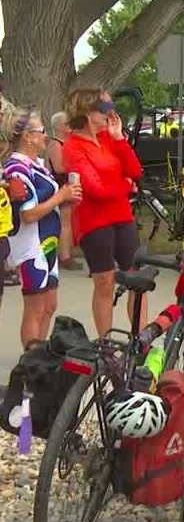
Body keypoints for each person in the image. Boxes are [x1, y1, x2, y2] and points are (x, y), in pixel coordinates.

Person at [63, 88, 145, 336]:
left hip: (122, 215)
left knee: (138, 280)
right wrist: (125, 186)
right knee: (104, 282)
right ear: (88, 112)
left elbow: (135, 171)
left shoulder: (109, 138)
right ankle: (106, 340)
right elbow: (95, 188)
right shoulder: (73, 147)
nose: (111, 113)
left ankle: (141, 337)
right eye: (105, 109)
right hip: (94, 220)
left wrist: (119, 139)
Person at [1, 108, 82, 347]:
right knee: (35, 307)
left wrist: (66, 197)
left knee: (49, 305)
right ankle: (30, 364)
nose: (45, 136)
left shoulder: (36, 164)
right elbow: (27, 214)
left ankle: (40, 354)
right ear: (27, 136)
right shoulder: (17, 168)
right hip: (30, 246)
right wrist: (60, 197)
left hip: (48, 243)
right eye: (41, 131)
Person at [45, 111, 81, 271]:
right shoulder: (55, 144)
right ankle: (65, 256)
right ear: (60, 127)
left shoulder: (68, 142)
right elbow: (59, 167)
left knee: (70, 222)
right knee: (65, 223)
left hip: (69, 184)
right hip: (60, 186)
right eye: (67, 123)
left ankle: (67, 253)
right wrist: (78, 164)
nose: (70, 126)